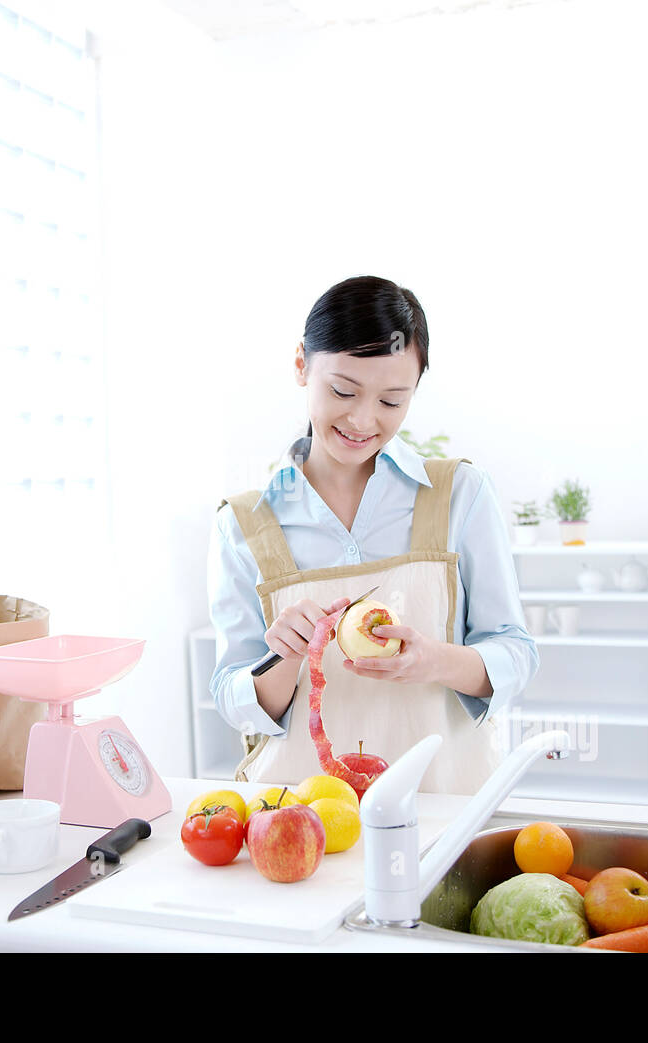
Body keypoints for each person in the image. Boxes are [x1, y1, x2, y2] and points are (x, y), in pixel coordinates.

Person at [206, 274, 538, 794]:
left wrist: (434, 660)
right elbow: (232, 694)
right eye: (343, 391)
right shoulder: (245, 524)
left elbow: (515, 652)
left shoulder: (460, 494)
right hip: (306, 818)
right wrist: (286, 658)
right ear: (301, 365)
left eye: (392, 401)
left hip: (443, 805)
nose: (363, 420)